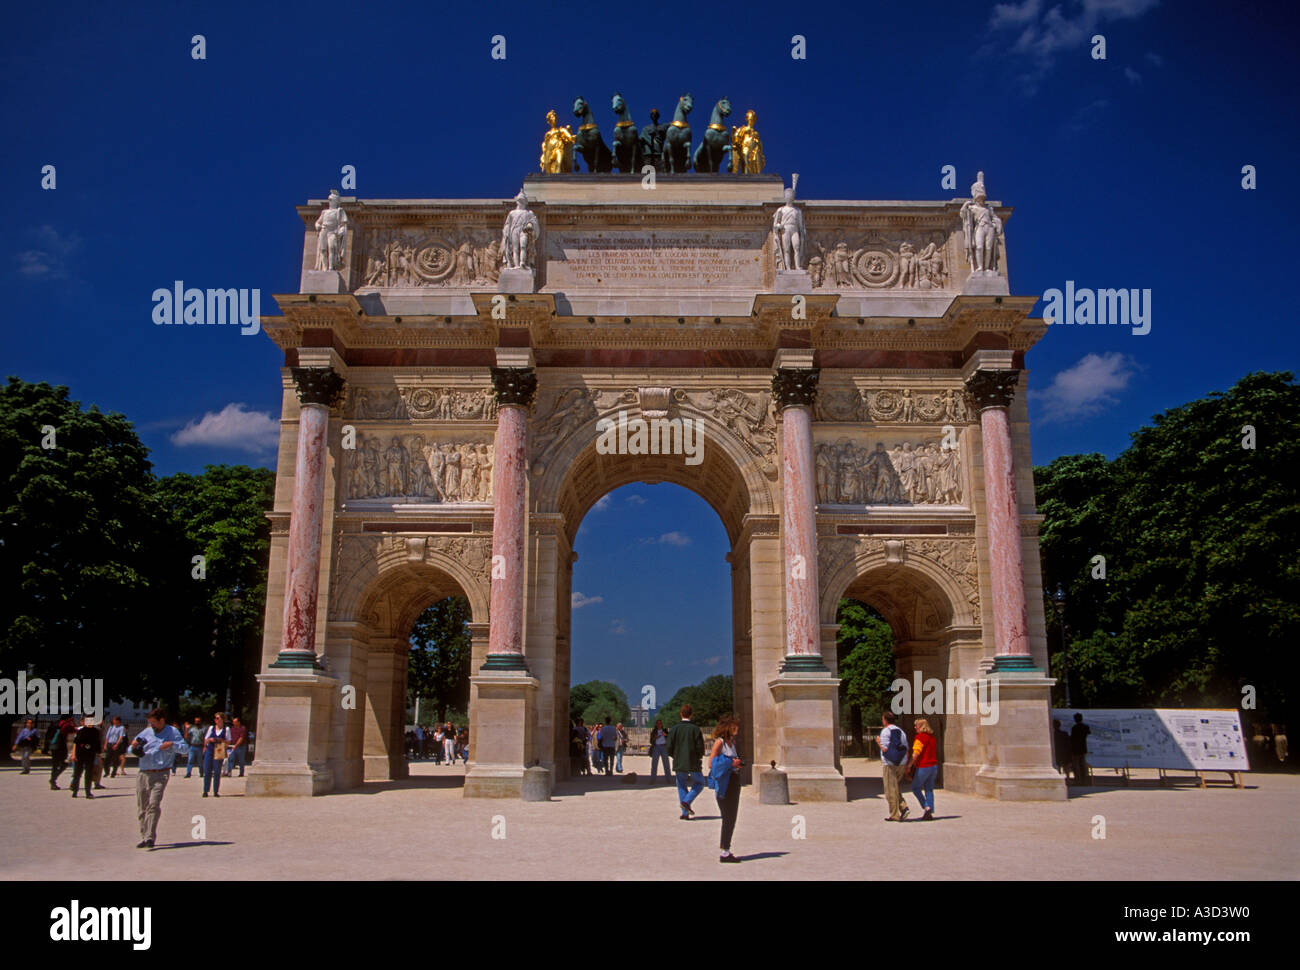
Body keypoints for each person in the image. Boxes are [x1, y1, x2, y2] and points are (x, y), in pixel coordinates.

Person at [130, 708, 187, 848]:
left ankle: (150, 836)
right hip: (143, 772)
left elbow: (185, 749)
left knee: (153, 804)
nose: (152, 726)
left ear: (162, 720)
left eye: (154, 723)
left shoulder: (172, 732)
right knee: (142, 806)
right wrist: (133, 748)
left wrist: (172, 745)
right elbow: (131, 746)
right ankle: (144, 836)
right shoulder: (147, 731)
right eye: (150, 723)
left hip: (161, 773)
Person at [707, 715, 744, 862]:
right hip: (725, 784)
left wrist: (737, 764)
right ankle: (724, 851)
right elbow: (711, 764)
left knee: (732, 817)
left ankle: (726, 849)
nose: (737, 729)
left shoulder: (732, 743)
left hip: (734, 781)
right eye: (735, 726)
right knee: (728, 817)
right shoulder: (719, 743)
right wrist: (730, 763)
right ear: (728, 727)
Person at [668, 704, 705, 819]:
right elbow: (700, 748)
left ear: (681, 714)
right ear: (691, 714)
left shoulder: (674, 729)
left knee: (681, 786)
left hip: (679, 762)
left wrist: (675, 756)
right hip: (693, 761)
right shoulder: (695, 729)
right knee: (700, 783)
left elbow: (669, 746)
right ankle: (687, 802)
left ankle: (685, 813)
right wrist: (698, 757)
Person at [879, 712, 911, 822]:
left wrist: (878, 742)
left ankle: (894, 814)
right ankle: (903, 807)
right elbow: (906, 748)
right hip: (901, 762)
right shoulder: (901, 731)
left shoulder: (885, 731)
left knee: (889, 790)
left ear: (885, 720)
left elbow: (885, 749)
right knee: (894, 787)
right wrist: (906, 764)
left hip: (889, 763)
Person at [906, 717, 938, 821]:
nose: (915, 727)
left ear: (921, 726)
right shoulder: (932, 738)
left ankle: (926, 807)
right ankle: (929, 812)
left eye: (916, 725)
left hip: (924, 766)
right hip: (934, 766)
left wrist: (909, 764)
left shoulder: (920, 737)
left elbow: (916, 752)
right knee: (929, 789)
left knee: (915, 787)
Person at [70, 715, 102, 798]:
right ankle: (75, 791)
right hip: (80, 754)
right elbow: (75, 743)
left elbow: (97, 743)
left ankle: (88, 792)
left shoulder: (95, 731)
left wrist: (99, 754)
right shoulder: (81, 731)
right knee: (77, 773)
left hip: (90, 754)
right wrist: (73, 754)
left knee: (88, 774)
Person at [203, 712, 230, 797]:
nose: (216, 720)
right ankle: (205, 790)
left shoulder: (226, 729)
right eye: (215, 718)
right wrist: (209, 741)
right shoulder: (211, 728)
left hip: (219, 750)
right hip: (210, 749)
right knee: (207, 770)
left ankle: (215, 791)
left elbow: (228, 741)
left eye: (218, 718)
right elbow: (206, 739)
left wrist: (220, 740)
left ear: (222, 719)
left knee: (217, 771)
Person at [48, 713, 76, 790]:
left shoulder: (55, 723)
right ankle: (53, 779)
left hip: (53, 746)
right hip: (61, 747)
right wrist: (73, 722)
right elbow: (75, 730)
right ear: (68, 718)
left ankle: (53, 781)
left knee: (55, 765)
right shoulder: (67, 725)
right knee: (65, 763)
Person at [1070, 713, 1091, 785]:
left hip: (1076, 748)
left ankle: (1078, 780)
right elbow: (1088, 733)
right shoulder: (1085, 726)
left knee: (1076, 765)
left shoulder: (1074, 728)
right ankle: (1085, 779)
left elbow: (1072, 738)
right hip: (1083, 747)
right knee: (1083, 764)